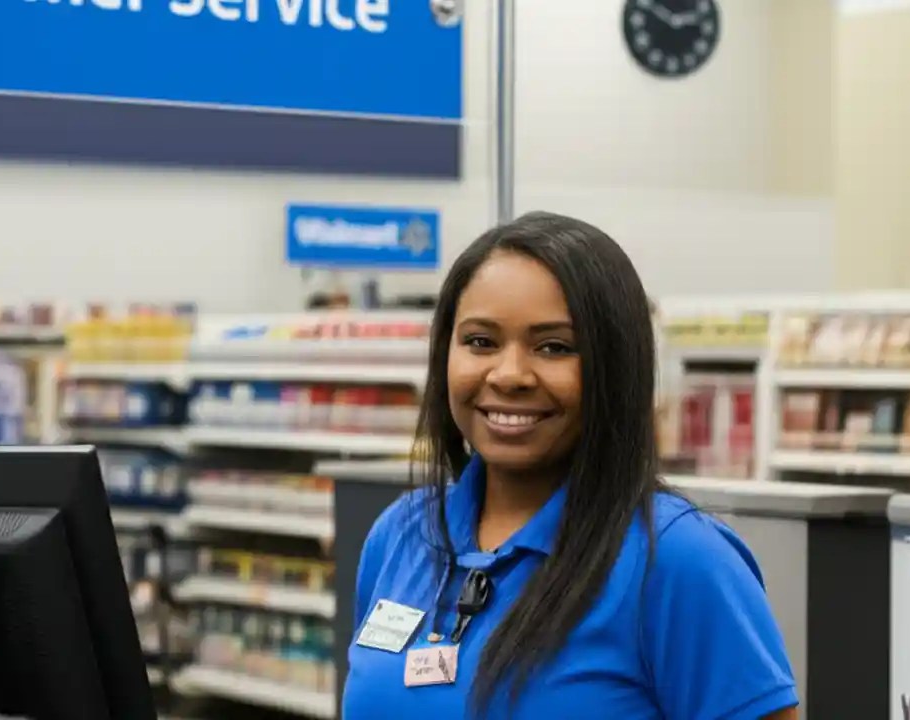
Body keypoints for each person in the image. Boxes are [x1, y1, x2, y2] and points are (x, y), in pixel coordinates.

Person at [342, 212, 798, 719]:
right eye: (480, 341)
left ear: (615, 366)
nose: (509, 374)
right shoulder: (402, 534)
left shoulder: (678, 561)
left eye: (554, 347)